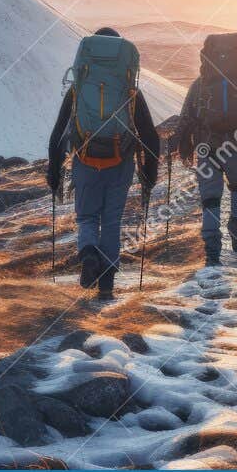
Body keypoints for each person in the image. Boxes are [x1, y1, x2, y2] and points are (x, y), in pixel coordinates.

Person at [46, 28, 159, 300]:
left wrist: (54, 169)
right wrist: (149, 173)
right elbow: (150, 136)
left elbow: (59, 131)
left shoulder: (78, 88)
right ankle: (106, 286)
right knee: (111, 222)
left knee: (86, 217)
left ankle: (88, 256)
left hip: (85, 161)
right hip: (120, 163)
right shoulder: (130, 92)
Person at [174, 33, 237, 267]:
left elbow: (187, 116)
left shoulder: (201, 83)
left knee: (210, 199)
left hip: (207, 148)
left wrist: (180, 140)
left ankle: (212, 251)